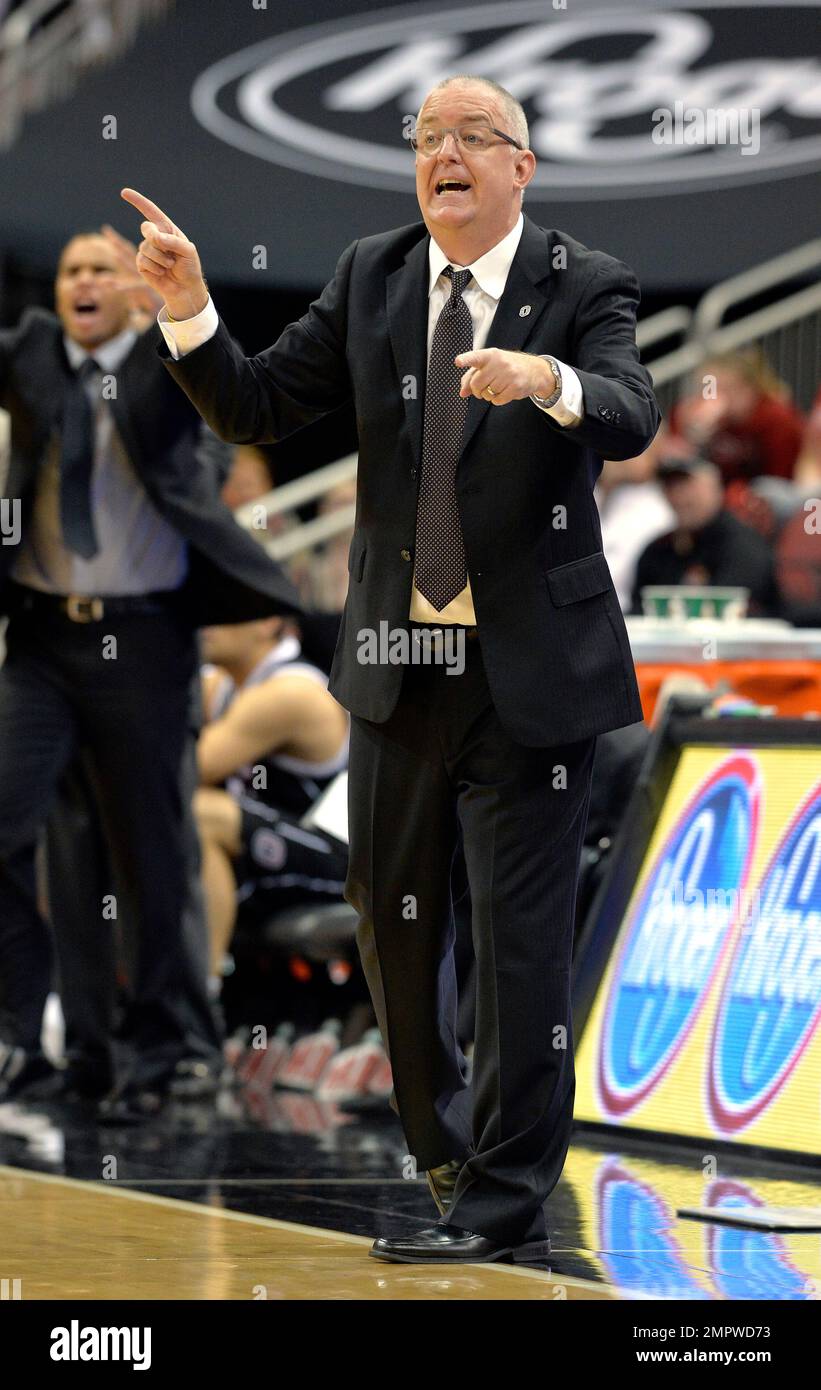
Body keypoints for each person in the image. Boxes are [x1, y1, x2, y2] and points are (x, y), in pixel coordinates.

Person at [124, 73, 659, 1263]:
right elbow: (256, 405)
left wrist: (546, 381)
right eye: (425, 138)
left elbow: (632, 409)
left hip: (528, 670)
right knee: (392, 924)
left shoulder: (583, 281)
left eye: (473, 136)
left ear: (522, 166)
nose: (444, 154)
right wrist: (192, 311)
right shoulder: (373, 273)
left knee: (517, 942)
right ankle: (443, 1156)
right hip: (396, 660)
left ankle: (504, 1193)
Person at [0, 228, 303, 1117]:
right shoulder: (29, 357)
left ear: (130, 289)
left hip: (144, 641)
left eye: (102, 268)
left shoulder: (166, 363)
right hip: (45, 643)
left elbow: (220, 384)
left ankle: (157, 1056)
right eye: (71, 271)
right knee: (14, 827)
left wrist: (174, 306)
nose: (85, 281)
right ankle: (35, 1035)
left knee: (149, 854)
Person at [194, 616, 349, 984]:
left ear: (267, 622)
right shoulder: (224, 685)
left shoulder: (289, 691)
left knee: (203, 815)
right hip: (275, 858)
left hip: (344, 864)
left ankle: (201, 998)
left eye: (225, 607)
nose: (207, 618)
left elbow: (188, 770)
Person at [631, 455, 780, 616]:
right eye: (670, 486)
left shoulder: (741, 546)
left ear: (715, 488)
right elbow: (640, 608)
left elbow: (728, 611)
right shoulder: (658, 550)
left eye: (687, 485)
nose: (678, 496)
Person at [671, 349, 804, 485]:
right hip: (720, 492)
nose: (713, 398)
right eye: (707, 389)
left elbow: (780, 479)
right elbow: (673, 466)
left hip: (771, 491)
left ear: (747, 388)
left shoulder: (775, 418)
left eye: (723, 389)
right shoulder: (691, 414)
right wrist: (692, 432)